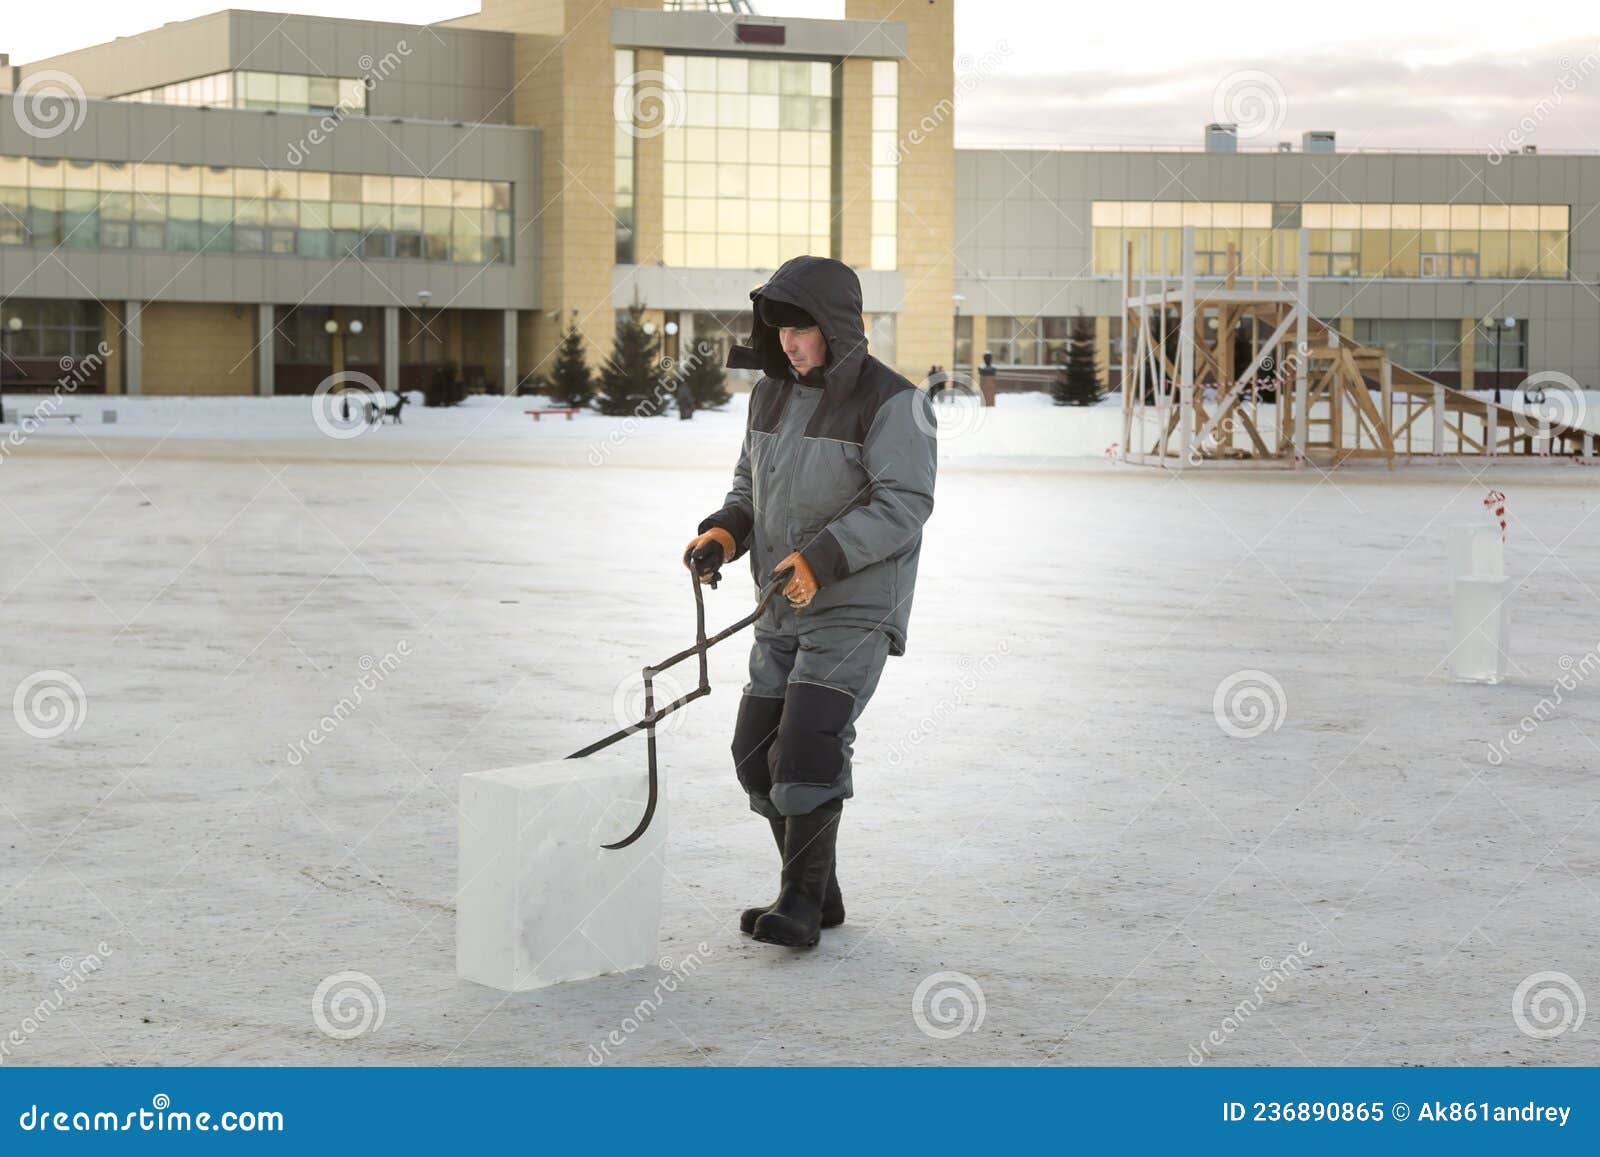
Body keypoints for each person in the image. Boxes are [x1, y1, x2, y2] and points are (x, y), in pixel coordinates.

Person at [680, 255, 937, 949]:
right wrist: (725, 532)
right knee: (753, 749)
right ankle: (817, 890)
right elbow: (749, 487)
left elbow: (904, 502)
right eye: (781, 329)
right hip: (782, 602)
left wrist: (822, 558)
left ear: (837, 328)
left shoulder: (892, 402)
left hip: (855, 603)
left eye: (803, 329)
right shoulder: (769, 395)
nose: (789, 343)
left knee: (806, 745)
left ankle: (799, 899)